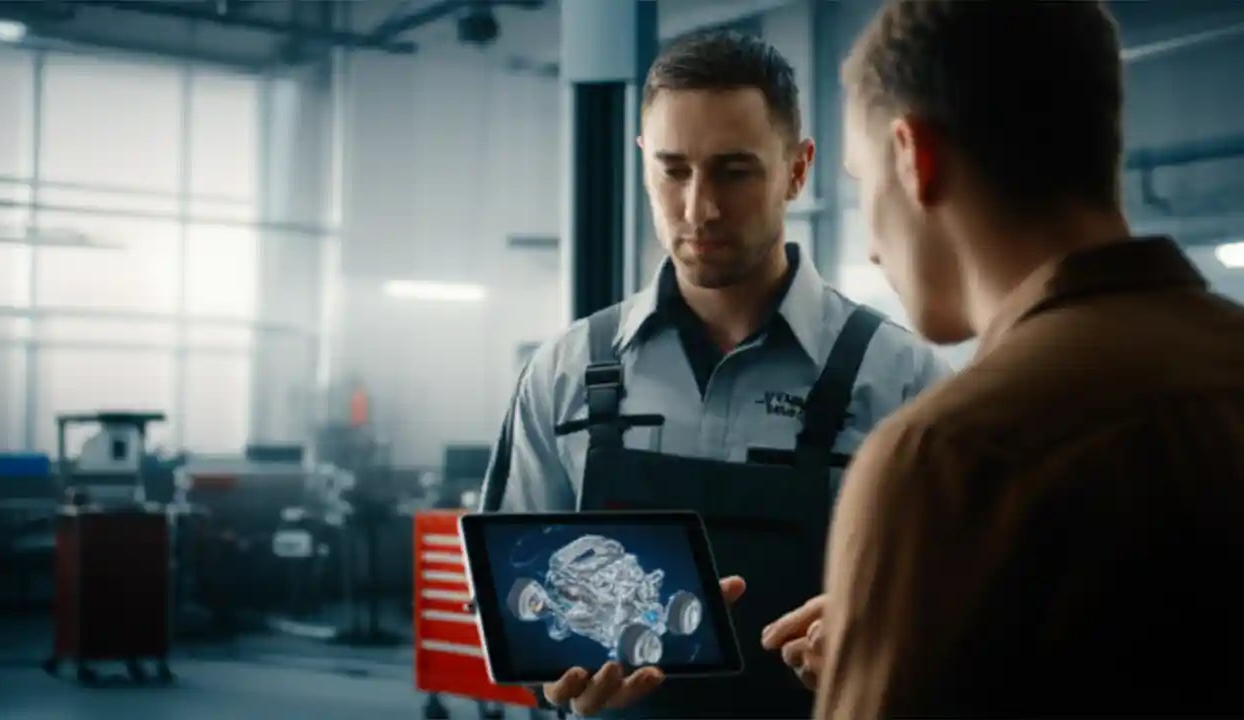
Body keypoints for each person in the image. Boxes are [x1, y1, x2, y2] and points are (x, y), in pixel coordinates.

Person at [762, 1, 1244, 717]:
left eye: (863, 184)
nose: (868, 245)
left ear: (912, 156)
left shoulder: (945, 458)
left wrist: (875, 656)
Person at [479, 29, 952, 719]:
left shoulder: (905, 382)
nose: (699, 208)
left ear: (797, 169)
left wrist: (886, 656)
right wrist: (548, 682)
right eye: (674, 170)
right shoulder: (564, 374)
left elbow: (962, 622)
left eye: (735, 170)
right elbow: (511, 601)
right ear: (644, 163)